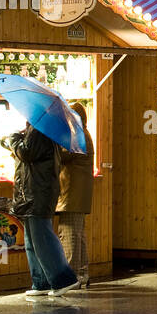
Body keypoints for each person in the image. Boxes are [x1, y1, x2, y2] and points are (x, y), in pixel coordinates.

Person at [8, 122, 80, 297]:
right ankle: (41, 282)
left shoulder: (40, 128)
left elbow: (27, 152)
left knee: (42, 239)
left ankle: (63, 279)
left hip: (38, 192)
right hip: (32, 192)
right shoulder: (38, 129)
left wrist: (13, 138)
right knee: (33, 241)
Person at [57, 102, 94, 290]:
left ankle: (71, 277)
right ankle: (81, 274)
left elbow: (62, 156)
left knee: (69, 235)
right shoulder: (82, 134)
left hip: (72, 194)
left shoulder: (78, 136)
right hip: (76, 194)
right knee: (77, 236)